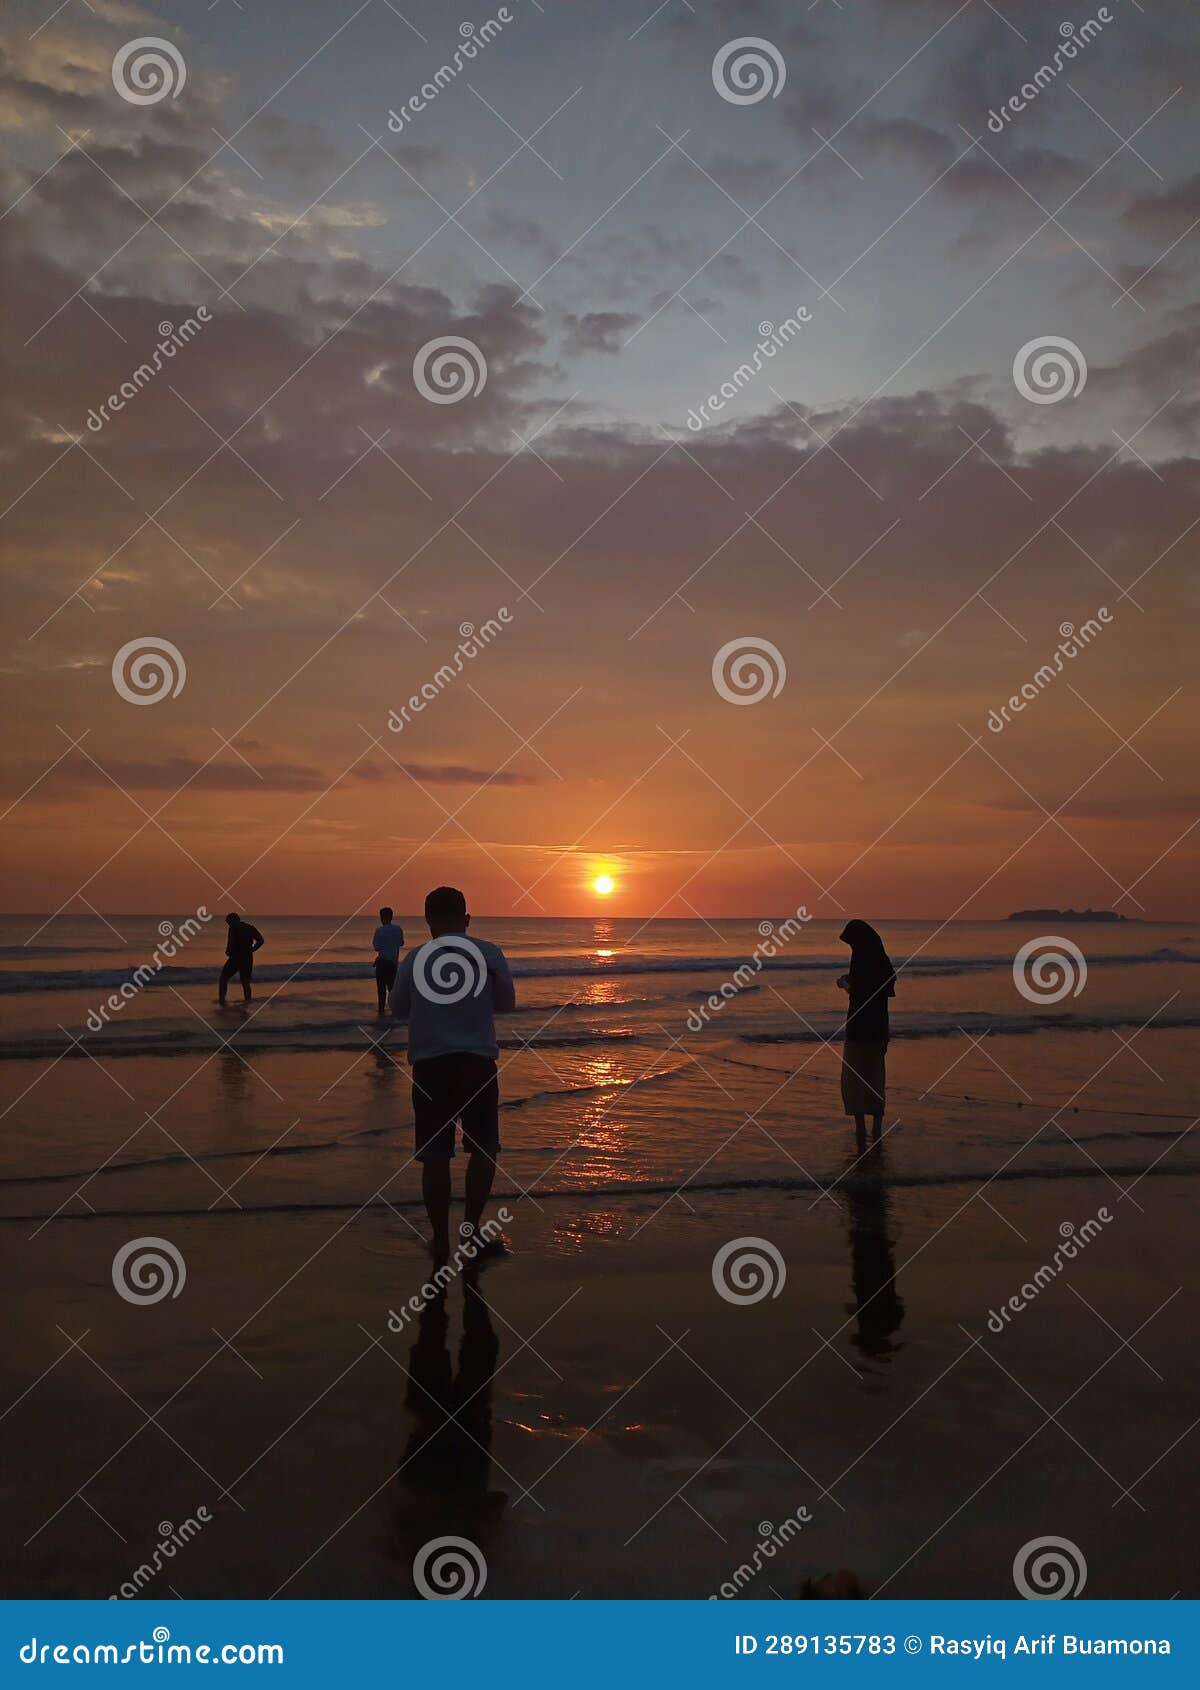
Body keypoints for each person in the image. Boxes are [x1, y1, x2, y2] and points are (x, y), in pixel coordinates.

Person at [390, 887, 516, 1262]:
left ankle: (441, 1240)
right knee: (483, 1149)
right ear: (466, 918)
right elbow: (507, 1004)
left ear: (428, 919)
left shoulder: (415, 959)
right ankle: (472, 1231)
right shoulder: (488, 953)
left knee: (435, 1155)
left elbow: (398, 1010)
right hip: (477, 1063)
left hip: (431, 1066)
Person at [836, 919, 895, 1143]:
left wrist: (844, 983)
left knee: (854, 1079)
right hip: (879, 1028)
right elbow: (885, 988)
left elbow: (858, 990)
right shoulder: (881, 961)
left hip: (859, 1028)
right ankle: (876, 1128)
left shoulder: (860, 960)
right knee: (875, 1076)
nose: (852, 948)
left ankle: (861, 1128)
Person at [218, 912, 264, 1005]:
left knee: (227, 979)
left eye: (230, 922)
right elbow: (260, 940)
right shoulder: (242, 928)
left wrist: (252, 950)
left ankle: (224, 1000)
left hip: (240, 957)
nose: (229, 925)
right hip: (241, 957)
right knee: (242, 981)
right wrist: (252, 950)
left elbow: (260, 940)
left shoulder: (240, 928)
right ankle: (244, 1001)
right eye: (228, 923)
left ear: (235, 920)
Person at [372, 905, 405, 1015]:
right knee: (392, 990)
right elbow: (401, 943)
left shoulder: (379, 930)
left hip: (382, 963)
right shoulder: (398, 929)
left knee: (381, 991)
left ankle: (381, 1013)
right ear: (391, 917)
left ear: (382, 917)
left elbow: (376, 947)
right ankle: (393, 1013)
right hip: (393, 964)